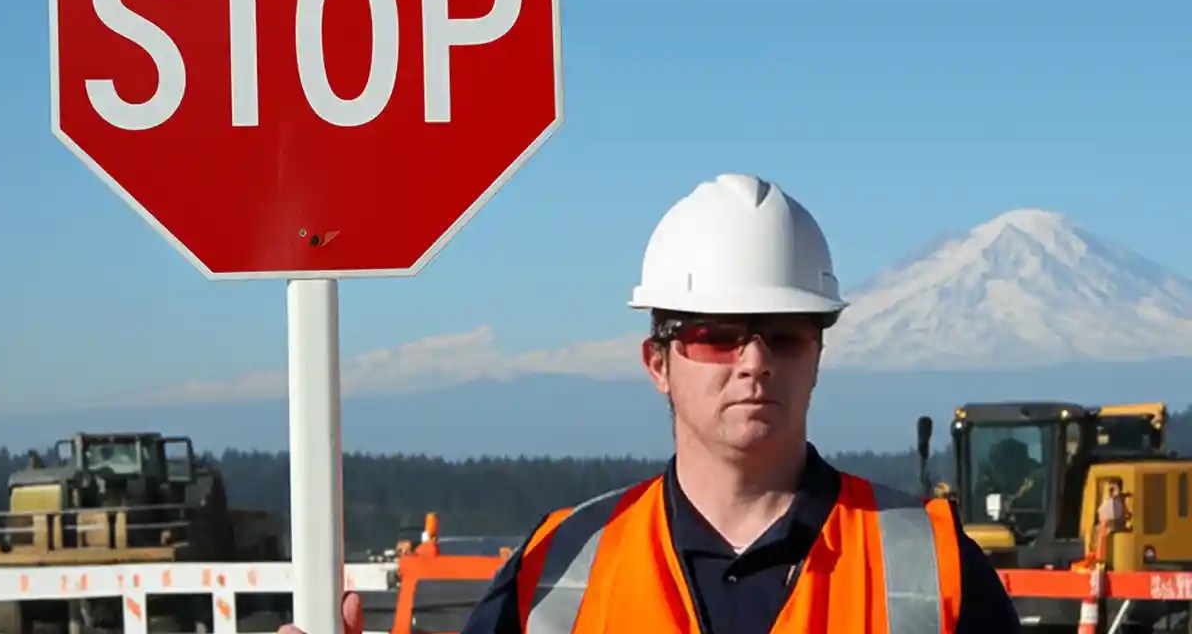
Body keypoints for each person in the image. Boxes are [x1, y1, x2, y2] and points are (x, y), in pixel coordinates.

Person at [280, 173, 1021, 633]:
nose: (754, 362)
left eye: (785, 336)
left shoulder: (928, 560)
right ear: (657, 363)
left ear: (818, 354)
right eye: (717, 336)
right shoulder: (560, 566)